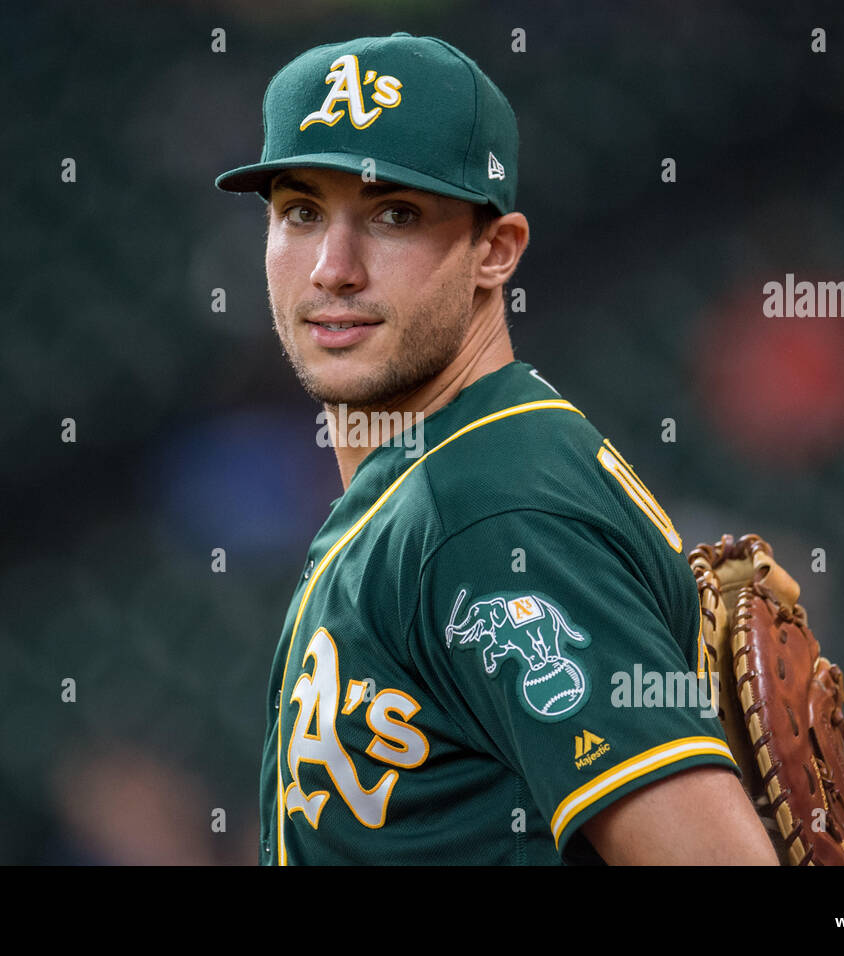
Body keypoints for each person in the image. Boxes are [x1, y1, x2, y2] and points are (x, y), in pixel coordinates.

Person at [216, 32, 777, 865]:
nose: (333, 268)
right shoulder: (428, 482)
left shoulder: (485, 508)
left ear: (495, 249)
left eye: (393, 214)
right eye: (300, 213)